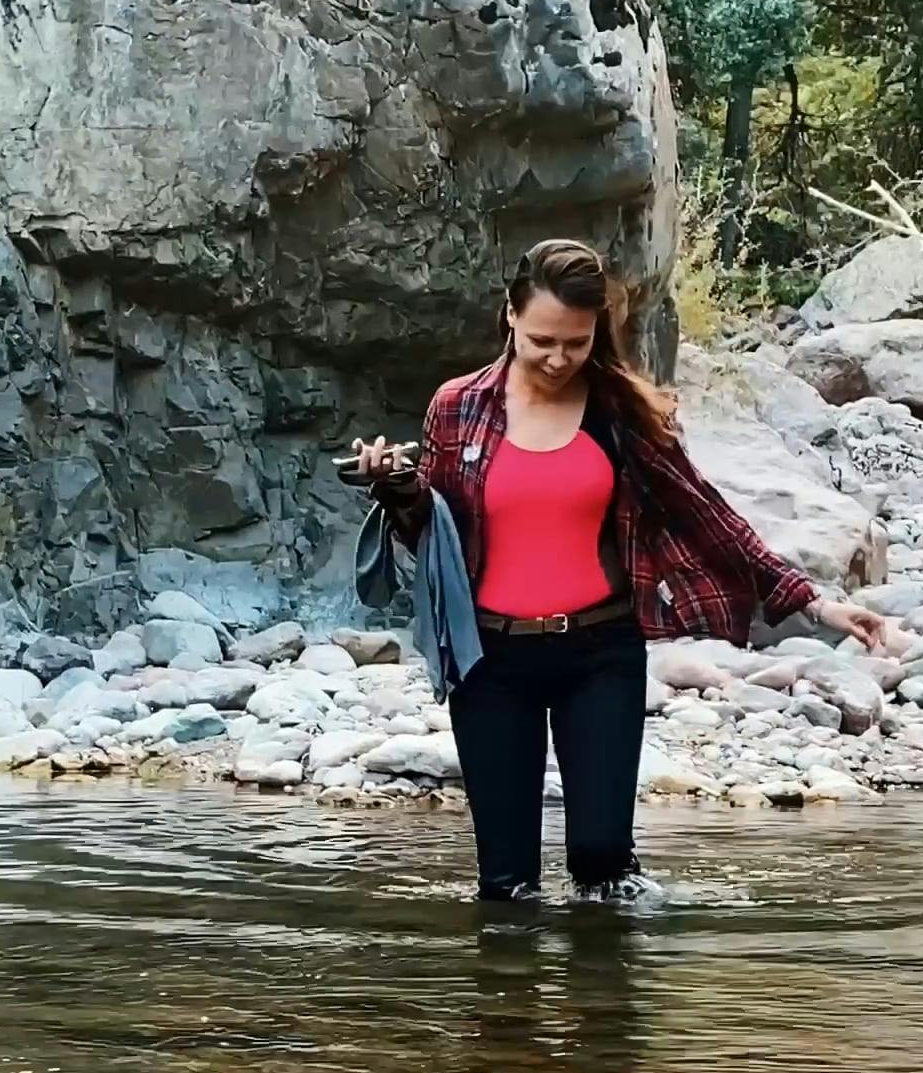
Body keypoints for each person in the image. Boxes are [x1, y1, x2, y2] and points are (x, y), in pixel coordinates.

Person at [345, 238, 888, 906]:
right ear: (510, 316)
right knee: (506, 885)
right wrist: (397, 490)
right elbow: (434, 537)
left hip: (599, 653)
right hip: (490, 659)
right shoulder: (458, 408)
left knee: (603, 862)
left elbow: (707, 515)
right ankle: (507, 1012)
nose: (558, 358)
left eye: (577, 342)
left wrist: (813, 602)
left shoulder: (621, 411)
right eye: (543, 339)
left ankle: (606, 1007)